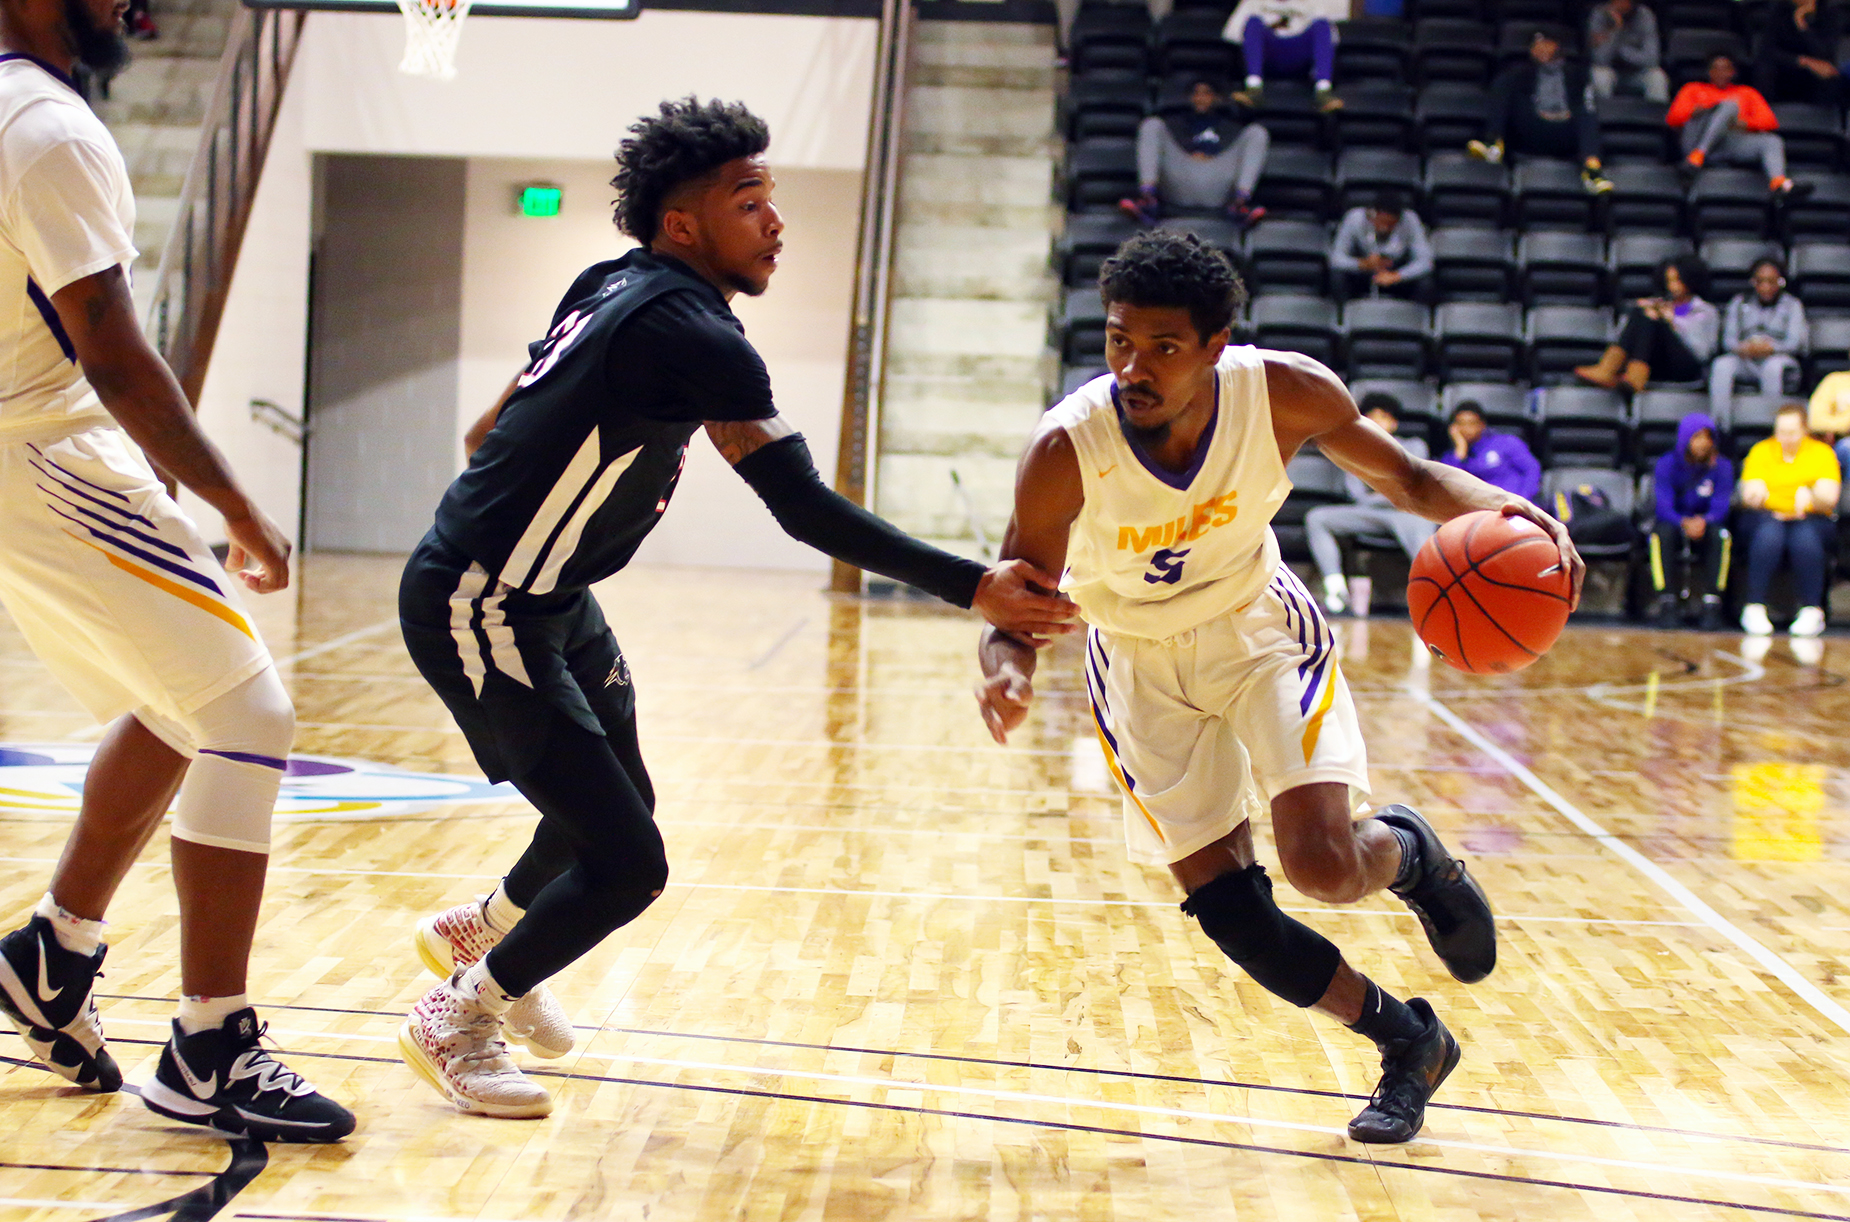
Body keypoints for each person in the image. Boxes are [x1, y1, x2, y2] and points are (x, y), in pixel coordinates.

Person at [396, 98, 1080, 1118]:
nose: (775, 221)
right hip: (482, 604)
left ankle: (485, 929)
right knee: (629, 862)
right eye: (749, 200)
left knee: (612, 810)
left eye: (771, 199)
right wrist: (969, 585)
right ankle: (458, 1013)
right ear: (684, 225)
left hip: (553, 598)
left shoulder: (615, 285)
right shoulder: (694, 336)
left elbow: (489, 424)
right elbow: (800, 507)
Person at [976, 229, 1584, 1144]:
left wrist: (1506, 510)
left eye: (1163, 348)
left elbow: (1410, 480)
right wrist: (1006, 671)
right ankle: (1407, 1040)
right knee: (1234, 915)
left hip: (1259, 631)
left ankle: (1409, 856)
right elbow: (1015, 591)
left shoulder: (1285, 392)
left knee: (1324, 868)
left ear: (1217, 344)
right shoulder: (1068, 446)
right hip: (1136, 662)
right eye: (1118, 341)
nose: (1133, 367)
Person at [0, 0, 351, 1143]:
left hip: (23, 452)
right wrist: (236, 502)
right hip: (49, 444)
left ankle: (54, 953)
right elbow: (108, 347)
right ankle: (211, 1043)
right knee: (248, 707)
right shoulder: (47, 128)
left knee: (175, 702)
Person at [1305, 393, 1436, 614]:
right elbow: (1359, 496)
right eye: (1371, 417)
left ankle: (1431, 597)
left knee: (1425, 531)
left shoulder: (1414, 446)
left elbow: (1412, 490)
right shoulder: (1354, 450)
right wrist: (1392, 491)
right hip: (1370, 513)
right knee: (1317, 518)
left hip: (1408, 513)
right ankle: (1336, 591)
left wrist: (1383, 491)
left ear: (1394, 422)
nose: (1377, 423)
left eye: (1383, 417)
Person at [1467, 30, 1614, 197]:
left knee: (1586, 111)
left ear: (1556, 46)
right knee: (1503, 83)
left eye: (1544, 43)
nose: (1539, 49)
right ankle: (1494, 143)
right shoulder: (1519, 75)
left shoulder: (1577, 75)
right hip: (1532, 129)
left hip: (1565, 132)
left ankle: (1592, 170)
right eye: (1535, 45)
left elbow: (1586, 108)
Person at [1737, 402, 1841, 637]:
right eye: (1781, 431)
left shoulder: (1822, 453)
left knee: (1805, 536)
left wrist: (1808, 500)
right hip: (1768, 517)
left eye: (1792, 432)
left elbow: (1828, 498)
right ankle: (1754, 606)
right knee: (1768, 534)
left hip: (1811, 518)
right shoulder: (1762, 451)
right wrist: (1790, 500)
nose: (1785, 437)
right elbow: (1750, 494)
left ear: (1804, 430)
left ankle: (1811, 609)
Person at [1120, 78, 1269, 228]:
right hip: (1181, 179)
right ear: (1190, 98)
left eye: (1206, 94)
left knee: (1257, 132)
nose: (1201, 98)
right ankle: (1148, 200)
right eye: (1196, 94)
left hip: (1218, 182)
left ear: (1217, 98)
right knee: (1151, 125)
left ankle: (1239, 206)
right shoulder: (1175, 122)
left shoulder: (1231, 125)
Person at [1667, 53, 1809, 201]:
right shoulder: (1693, 89)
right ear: (1709, 72)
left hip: (1726, 144)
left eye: (1725, 69)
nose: (1720, 73)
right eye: (1716, 68)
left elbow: (1770, 122)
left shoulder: (1746, 93)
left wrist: (1743, 124)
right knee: (1730, 106)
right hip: (1694, 141)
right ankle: (1696, 157)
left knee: (1772, 140)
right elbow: (1672, 119)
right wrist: (1700, 112)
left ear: (1733, 73)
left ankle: (1779, 184)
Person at [1575, 255, 1719, 392]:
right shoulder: (1660, 305)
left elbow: (1703, 351)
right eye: (1669, 281)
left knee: (1654, 318)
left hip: (1687, 366)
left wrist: (1671, 321)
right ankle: (1610, 368)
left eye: (1677, 280)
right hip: (1657, 364)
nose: (1672, 286)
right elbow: (1627, 333)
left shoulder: (1705, 311)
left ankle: (1632, 375)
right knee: (1642, 312)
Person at [1648, 412, 1733, 630]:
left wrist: (1706, 520)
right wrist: (1684, 522)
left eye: (1708, 437)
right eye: (1697, 437)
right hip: (1676, 521)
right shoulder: (1666, 464)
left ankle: (1712, 604)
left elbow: (1721, 506)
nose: (1703, 443)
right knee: (1660, 534)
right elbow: (1663, 507)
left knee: (1721, 536)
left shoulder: (1722, 467)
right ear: (1685, 439)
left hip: (1707, 523)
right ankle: (1667, 602)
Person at [1710, 257, 1807, 420]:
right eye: (1760, 281)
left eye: (1771, 281)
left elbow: (1795, 343)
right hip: (1746, 358)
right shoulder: (1739, 303)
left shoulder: (1793, 305)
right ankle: (1720, 425)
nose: (1765, 287)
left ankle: (1770, 425)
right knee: (1721, 365)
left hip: (1778, 359)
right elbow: (1728, 341)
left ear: (1781, 282)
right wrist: (1743, 348)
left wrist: (1771, 348)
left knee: (1772, 368)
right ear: (1753, 282)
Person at [1223, 0, 1348, 113]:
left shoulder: (1315, 3)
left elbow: (1333, 38)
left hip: (1302, 59)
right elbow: (1231, 35)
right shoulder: (1254, 2)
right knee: (1253, 22)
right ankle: (1253, 89)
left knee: (1322, 25)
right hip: (1268, 58)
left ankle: (1323, 93)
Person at [1329, 190, 1433, 301]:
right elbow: (1335, 258)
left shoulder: (1410, 220)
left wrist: (1397, 276)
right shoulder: (1354, 218)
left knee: (1425, 282)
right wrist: (1362, 264)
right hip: (1363, 271)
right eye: (1381, 222)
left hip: (1396, 273)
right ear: (1372, 214)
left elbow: (1425, 262)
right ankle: (1344, 313)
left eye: (1390, 225)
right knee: (1337, 276)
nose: (1384, 228)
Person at [1756, 0, 1848, 106]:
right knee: (1764, 67)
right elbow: (1767, 50)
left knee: (1828, 73)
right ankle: (1763, 112)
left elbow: (1825, 52)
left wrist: (1802, 25)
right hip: (1788, 67)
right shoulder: (1780, 11)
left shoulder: (1830, 13)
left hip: (1815, 72)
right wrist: (1804, 61)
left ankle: (1825, 119)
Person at [1441, 402, 1541, 500]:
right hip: (1478, 511)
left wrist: (1522, 500)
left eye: (1471, 423)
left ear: (1482, 425)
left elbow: (1532, 469)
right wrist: (1460, 452)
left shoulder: (1506, 442)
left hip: (1513, 505)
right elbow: (1449, 487)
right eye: (1461, 424)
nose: (1466, 429)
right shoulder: (1451, 458)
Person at [1587, 0, 1668, 102]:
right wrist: (1616, 30)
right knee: (1599, 75)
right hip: (1611, 71)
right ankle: (1606, 116)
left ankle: (1655, 116)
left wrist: (1622, 51)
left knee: (1657, 77)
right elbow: (1600, 59)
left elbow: (1652, 59)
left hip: (1637, 72)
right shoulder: (1600, 14)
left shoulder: (1644, 15)